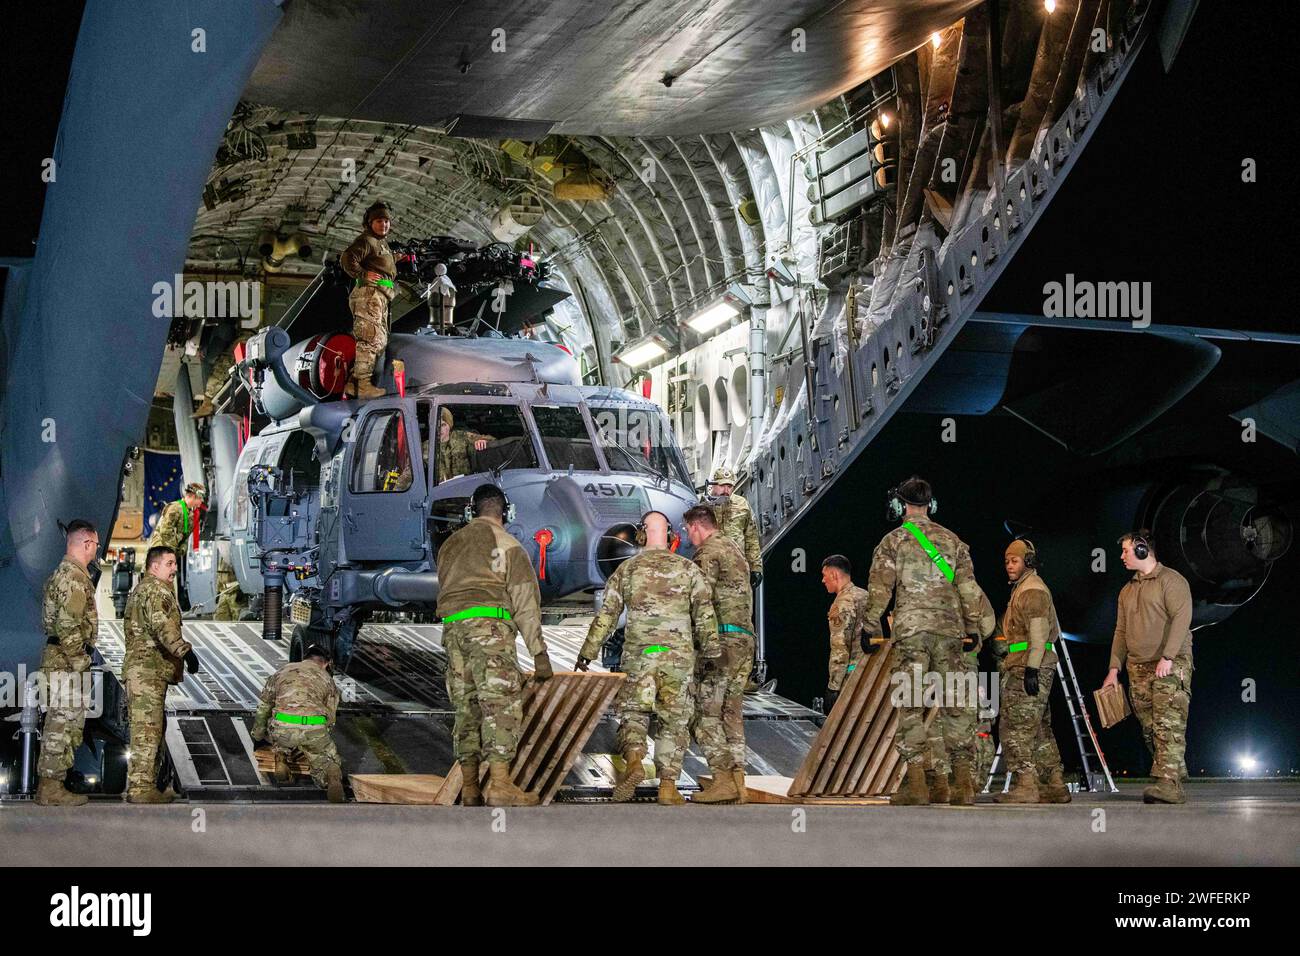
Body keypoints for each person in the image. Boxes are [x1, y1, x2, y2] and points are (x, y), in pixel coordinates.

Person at [862, 476, 991, 806]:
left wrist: (869, 626)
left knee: (911, 705)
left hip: (911, 632)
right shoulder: (953, 541)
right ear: (930, 505)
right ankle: (962, 785)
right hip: (950, 632)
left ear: (901, 505)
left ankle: (917, 784)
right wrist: (973, 628)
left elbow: (880, 590)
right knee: (957, 705)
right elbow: (969, 589)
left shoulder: (893, 541)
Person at [578, 510, 718, 805]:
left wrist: (587, 653)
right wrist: (711, 653)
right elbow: (705, 615)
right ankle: (668, 787)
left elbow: (607, 616)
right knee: (673, 722)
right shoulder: (689, 569)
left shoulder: (627, 570)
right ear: (669, 535)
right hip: (677, 658)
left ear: (641, 534)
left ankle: (634, 764)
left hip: (640, 656)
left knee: (633, 715)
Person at [435, 484, 553, 807]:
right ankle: (500, 785)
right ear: (506, 513)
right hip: (490, 630)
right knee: (498, 706)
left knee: (466, 708)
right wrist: (539, 653)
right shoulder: (509, 545)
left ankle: (471, 788)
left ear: (472, 511)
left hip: (453, 630)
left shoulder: (449, 546)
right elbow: (525, 603)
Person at [1102, 530, 1193, 805]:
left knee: (1168, 723)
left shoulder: (1172, 581)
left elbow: (1182, 618)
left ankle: (1168, 784)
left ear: (1143, 550)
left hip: (1171, 663)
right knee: (1151, 728)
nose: (1121, 556)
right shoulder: (1126, 590)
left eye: (1126, 550)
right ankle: (1173, 773)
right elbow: (1120, 631)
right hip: (1137, 667)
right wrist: (1113, 669)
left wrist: (1168, 656)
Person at [683, 505, 753, 805]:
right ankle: (739, 781)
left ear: (697, 526)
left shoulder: (708, 552)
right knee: (732, 711)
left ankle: (722, 779)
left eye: (688, 530)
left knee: (705, 712)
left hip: (720, 642)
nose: (688, 537)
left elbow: (700, 600)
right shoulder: (735, 548)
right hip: (745, 639)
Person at [994, 539, 1069, 804]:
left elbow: (1038, 634)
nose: (1009, 566)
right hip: (1032, 661)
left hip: (1028, 663)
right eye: (1006, 561)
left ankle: (1025, 784)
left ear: (1028, 561)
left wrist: (1032, 669)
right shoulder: (1025, 588)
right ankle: (1054, 784)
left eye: (1014, 561)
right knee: (1039, 728)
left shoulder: (1032, 591)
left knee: (1014, 727)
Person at [123, 546, 200, 803]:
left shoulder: (144, 590)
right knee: (146, 731)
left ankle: (150, 786)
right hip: (147, 672)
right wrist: (185, 652)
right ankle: (140, 788)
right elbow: (162, 626)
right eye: (169, 563)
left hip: (146, 672)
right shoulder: (156, 591)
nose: (174, 569)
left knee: (153, 729)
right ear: (154, 567)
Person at [35, 520, 101, 806]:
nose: (96, 551)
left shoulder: (63, 573)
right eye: (96, 546)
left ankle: (54, 785)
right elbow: (67, 625)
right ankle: (50, 788)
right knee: (61, 725)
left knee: (65, 724)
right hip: (66, 662)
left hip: (60, 660)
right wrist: (81, 660)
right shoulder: (73, 578)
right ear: (86, 543)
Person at [250, 645, 345, 803]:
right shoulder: (328, 680)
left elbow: (264, 707)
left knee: (278, 734)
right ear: (326, 663)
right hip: (314, 727)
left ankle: (281, 758)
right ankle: (331, 776)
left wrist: (258, 735)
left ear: (304, 658)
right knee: (327, 758)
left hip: (283, 727)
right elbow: (330, 718)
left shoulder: (282, 672)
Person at [340, 200, 398, 400]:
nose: (384, 225)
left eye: (386, 221)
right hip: (368, 295)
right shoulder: (367, 240)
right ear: (370, 223)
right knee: (370, 339)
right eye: (379, 221)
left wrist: (397, 259)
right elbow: (347, 259)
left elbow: (380, 264)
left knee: (378, 340)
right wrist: (363, 275)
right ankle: (362, 385)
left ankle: (355, 383)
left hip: (379, 295)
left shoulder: (380, 243)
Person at [820, 554, 871, 714]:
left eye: (824, 575)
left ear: (834, 574)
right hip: (870, 672)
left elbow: (840, 648)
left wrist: (833, 687)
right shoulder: (864, 595)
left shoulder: (842, 604)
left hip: (850, 679)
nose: (823, 580)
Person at [701, 466, 763, 586]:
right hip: (710, 569)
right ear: (713, 485)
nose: (726, 490)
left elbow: (751, 537)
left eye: (729, 487)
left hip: (737, 568)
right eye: (722, 486)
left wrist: (755, 567)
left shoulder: (742, 505)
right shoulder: (703, 506)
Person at [192, 324, 253, 418]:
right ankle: (208, 400)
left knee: (221, 362)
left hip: (249, 334)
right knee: (211, 360)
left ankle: (208, 401)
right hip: (245, 332)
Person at [436, 407, 491, 484]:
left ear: (450, 424)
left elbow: (491, 440)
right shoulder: (426, 447)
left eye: (443, 425)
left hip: (464, 485)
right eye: (436, 425)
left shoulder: (462, 437)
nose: (439, 429)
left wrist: (483, 441)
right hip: (438, 491)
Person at [149, 482, 205, 553]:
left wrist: (182, 549)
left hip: (171, 553)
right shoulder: (175, 508)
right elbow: (165, 533)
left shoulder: (191, 514)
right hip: (161, 552)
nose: (202, 501)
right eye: (200, 498)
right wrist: (173, 551)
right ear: (193, 497)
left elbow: (185, 536)